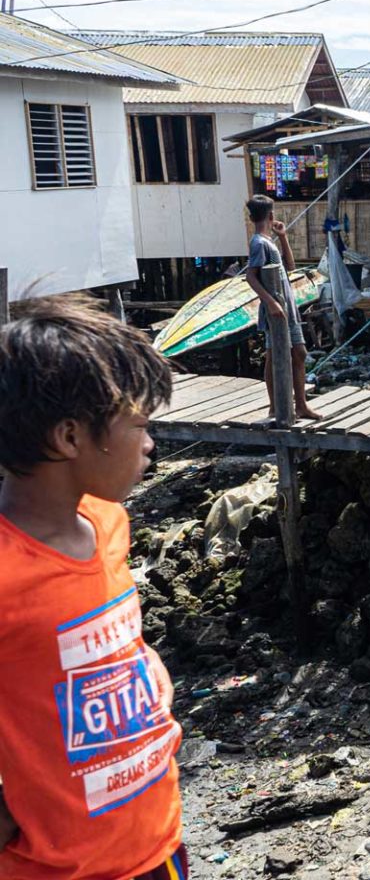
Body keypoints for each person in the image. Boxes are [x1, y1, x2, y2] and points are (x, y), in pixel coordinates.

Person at [0, 296, 188, 880]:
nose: (150, 443)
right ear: (69, 437)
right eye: (139, 426)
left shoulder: (108, 523)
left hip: (157, 839)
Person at [244, 195, 322, 421]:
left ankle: (301, 406)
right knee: (273, 355)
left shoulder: (267, 242)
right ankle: (275, 406)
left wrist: (283, 237)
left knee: (298, 353)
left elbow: (290, 267)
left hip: (287, 306)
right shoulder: (258, 242)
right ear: (271, 215)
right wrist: (272, 303)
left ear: (251, 218)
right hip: (276, 308)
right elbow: (251, 276)